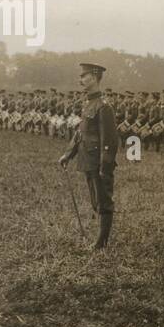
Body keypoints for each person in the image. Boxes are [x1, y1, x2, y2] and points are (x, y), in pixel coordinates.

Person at [59, 63, 118, 250]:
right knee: (95, 199)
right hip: (87, 158)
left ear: (94, 77)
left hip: (97, 161)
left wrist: (105, 166)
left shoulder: (103, 106)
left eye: (84, 76)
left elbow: (109, 139)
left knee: (103, 199)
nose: (80, 80)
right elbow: (80, 133)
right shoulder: (88, 104)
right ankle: (101, 237)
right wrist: (68, 154)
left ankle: (102, 242)